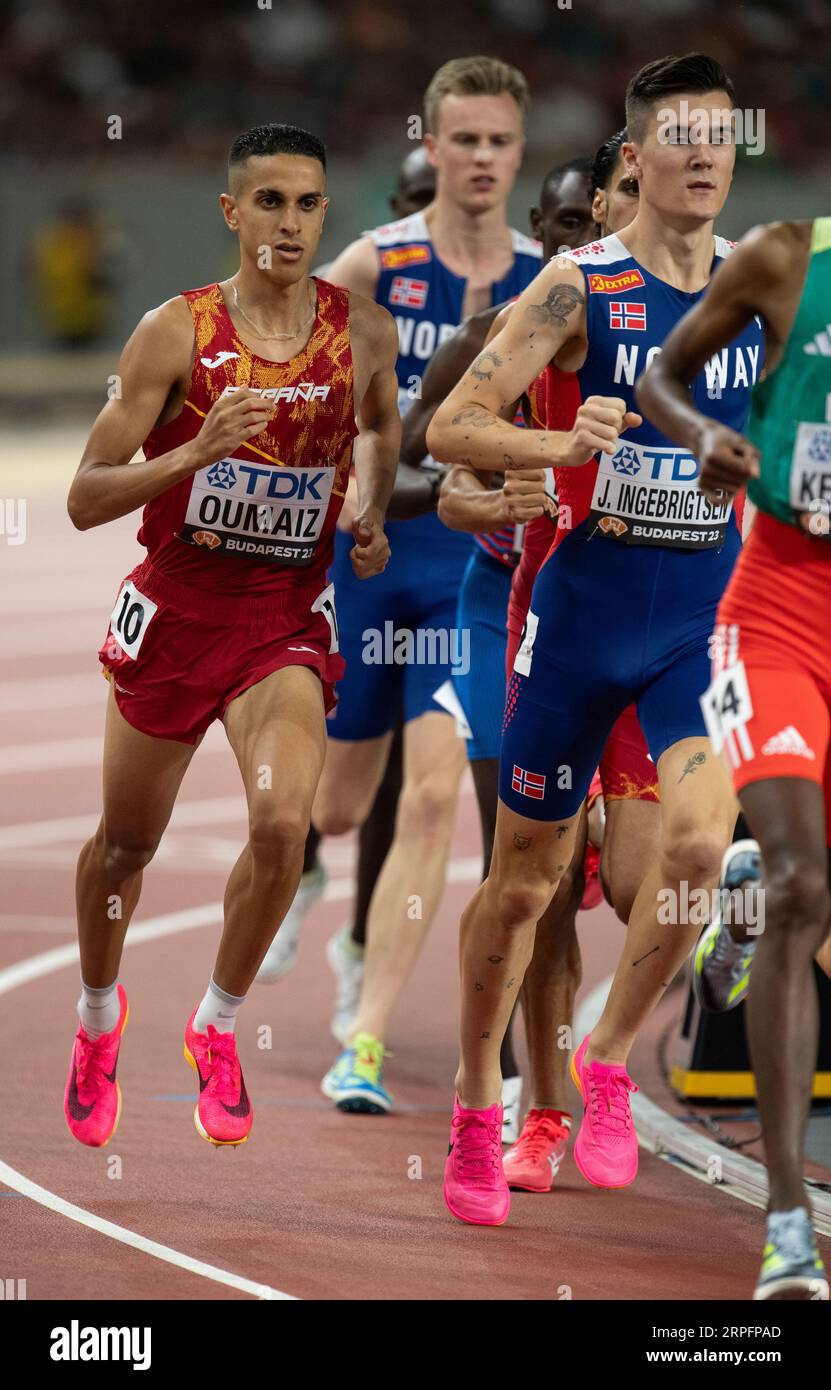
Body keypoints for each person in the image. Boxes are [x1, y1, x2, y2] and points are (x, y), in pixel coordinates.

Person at [428, 52, 764, 1225]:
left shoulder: (764, 284)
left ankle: (607, 1059)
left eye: (721, 134)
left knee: (699, 847)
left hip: (699, 631)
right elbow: (455, 424)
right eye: (681, 134)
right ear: (637, 154)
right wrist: (557, 448)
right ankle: (481, 1102)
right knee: (525, 885)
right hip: (575, 623)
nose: (704, 154)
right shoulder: (579, 288)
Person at [62, 123, 400, 1150]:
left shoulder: (363, 331)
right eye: (269, 202)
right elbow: (84, 496)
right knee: (126, 846)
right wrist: (191, 453)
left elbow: (381, 425)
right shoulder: (175, 333)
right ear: (231, 211)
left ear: (324, 212)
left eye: (307, 203)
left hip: (280, 623)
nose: (289, 223)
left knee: (282, 826)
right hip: (176, 616)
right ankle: (97, 1019)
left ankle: (215, 1025)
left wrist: (370, 509)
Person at [313, 56, 543, 1114]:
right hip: (371, 559)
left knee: (435, 795)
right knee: (336, 805)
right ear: (432, 144)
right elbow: (317, 392)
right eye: (466, 140)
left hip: (472, 572)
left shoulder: (551, 279)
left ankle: (363, 1043)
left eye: (500, 141)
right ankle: (340, 914)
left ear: (519, 150)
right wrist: (350, 497)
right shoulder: (374, 262)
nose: (483, 158)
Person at [637, 215, 831, 1300]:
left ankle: (744, 904)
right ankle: (789, 1224)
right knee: (805, 884)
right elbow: (664, 375)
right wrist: (704, 435)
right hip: (777, 619)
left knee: (801, 890)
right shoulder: (786, 259)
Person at [255, 145, 437, 1001]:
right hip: (361, 554)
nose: (431, 213)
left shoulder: (515, 283)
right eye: (417, 198)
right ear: (394, 206)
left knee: (416, 783)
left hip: (457, 560)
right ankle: (301, 869)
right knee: (334, 786)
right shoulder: (361, 284)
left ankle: (363, 951)